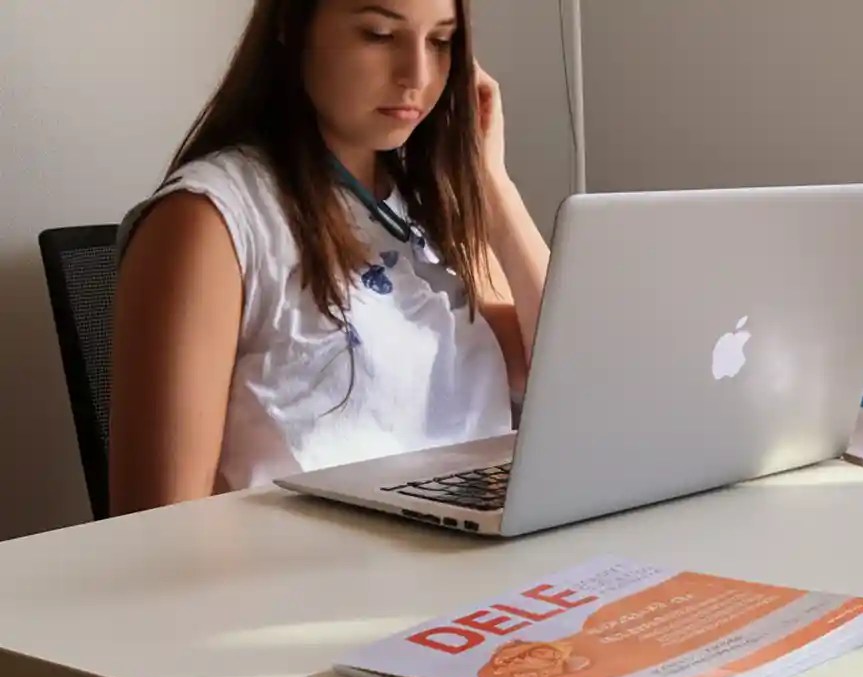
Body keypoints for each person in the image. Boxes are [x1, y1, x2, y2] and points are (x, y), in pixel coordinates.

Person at [108, 0, 549, 515]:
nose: (418, 75)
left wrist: (493, 187)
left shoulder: (438, 208)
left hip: (471, 559)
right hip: (312, 582)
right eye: (380, 35)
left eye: (440, 41)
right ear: (292, 32)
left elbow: (571, 379)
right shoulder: (208, 221)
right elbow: (160, 527)